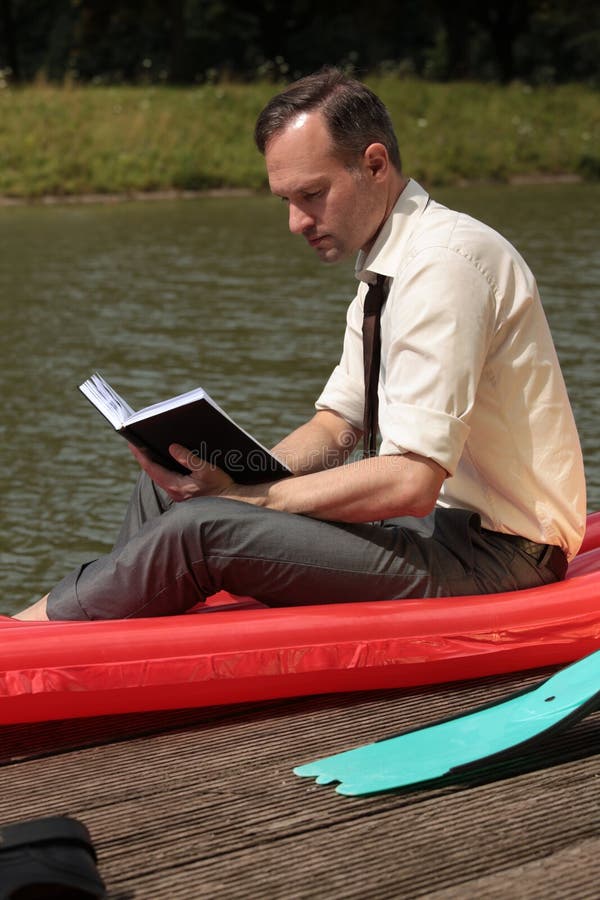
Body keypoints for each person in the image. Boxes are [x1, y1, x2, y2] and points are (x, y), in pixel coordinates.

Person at [15, 68, 586, 622]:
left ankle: (25, 643)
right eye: (286, 200)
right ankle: (98, 645)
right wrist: (236, 477)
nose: (296, 222)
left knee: (205, 526)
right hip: (439, 531)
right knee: (171, 487)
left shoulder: (444, 266)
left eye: (311, 195)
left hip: (500, 554)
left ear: (375, 164)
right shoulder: (390, 266)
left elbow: (412, 481)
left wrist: (251, 501)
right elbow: (337, 425)